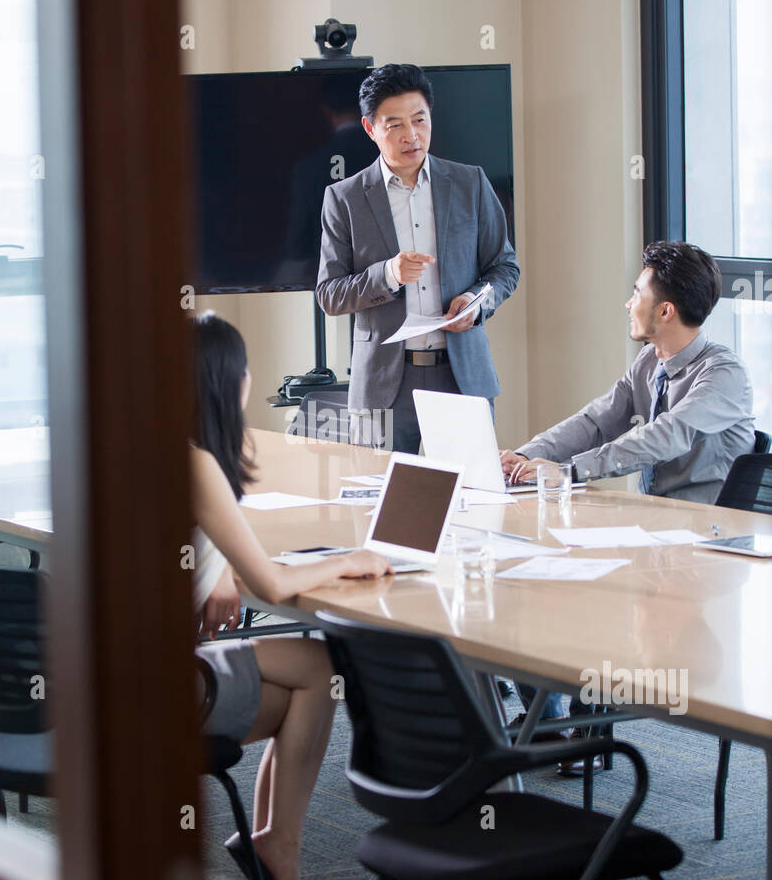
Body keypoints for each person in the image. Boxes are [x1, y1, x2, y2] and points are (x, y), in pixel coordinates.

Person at [499, 240, 755, 772]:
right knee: (527, 572)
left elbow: (664, 436)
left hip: (704, 548)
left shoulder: (722, 374)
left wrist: (569, 473)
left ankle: (580, 728)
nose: (628, 301)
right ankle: (551, 722)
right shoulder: (649, 363)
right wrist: (526, 455)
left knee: (581, 591)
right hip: (652, 532)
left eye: (637, 291)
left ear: (665, 310)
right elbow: (596, 421)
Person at [190, 312, 393, 880]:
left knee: (312, 671)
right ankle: (277, 859)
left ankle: (271, 876)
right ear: (230, 382)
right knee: (321, 672)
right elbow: (275, 586)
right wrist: (349, 560)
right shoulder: (195, 464)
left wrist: (219, 568)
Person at [316, 63, 519, 453]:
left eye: (419, 120)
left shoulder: (471, 183)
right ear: (370, 128)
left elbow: (505, 267)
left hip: (461, 377)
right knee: (381, 491)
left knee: (470, 488)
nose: (411, 135)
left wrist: (476, 303)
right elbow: (329, 295)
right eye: (394, 125)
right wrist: (388, 274)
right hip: (383, 386)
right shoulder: (344, 198)